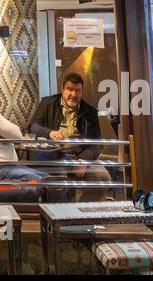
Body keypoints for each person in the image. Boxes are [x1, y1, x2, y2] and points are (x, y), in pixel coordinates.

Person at [27, 71, 113, 200]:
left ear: (82, 92)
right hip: (54, 157)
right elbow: (33, 126)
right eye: (70, 89)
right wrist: (50, 133)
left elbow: (97, 144)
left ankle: (81, 209)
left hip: (80, 156)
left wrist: (83, 160)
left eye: (77, 91)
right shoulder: (47, 103)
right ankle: (63, 210)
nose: (73, 94)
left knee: (102, 177)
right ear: (62, 88)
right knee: (60, 182)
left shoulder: (90, 111)